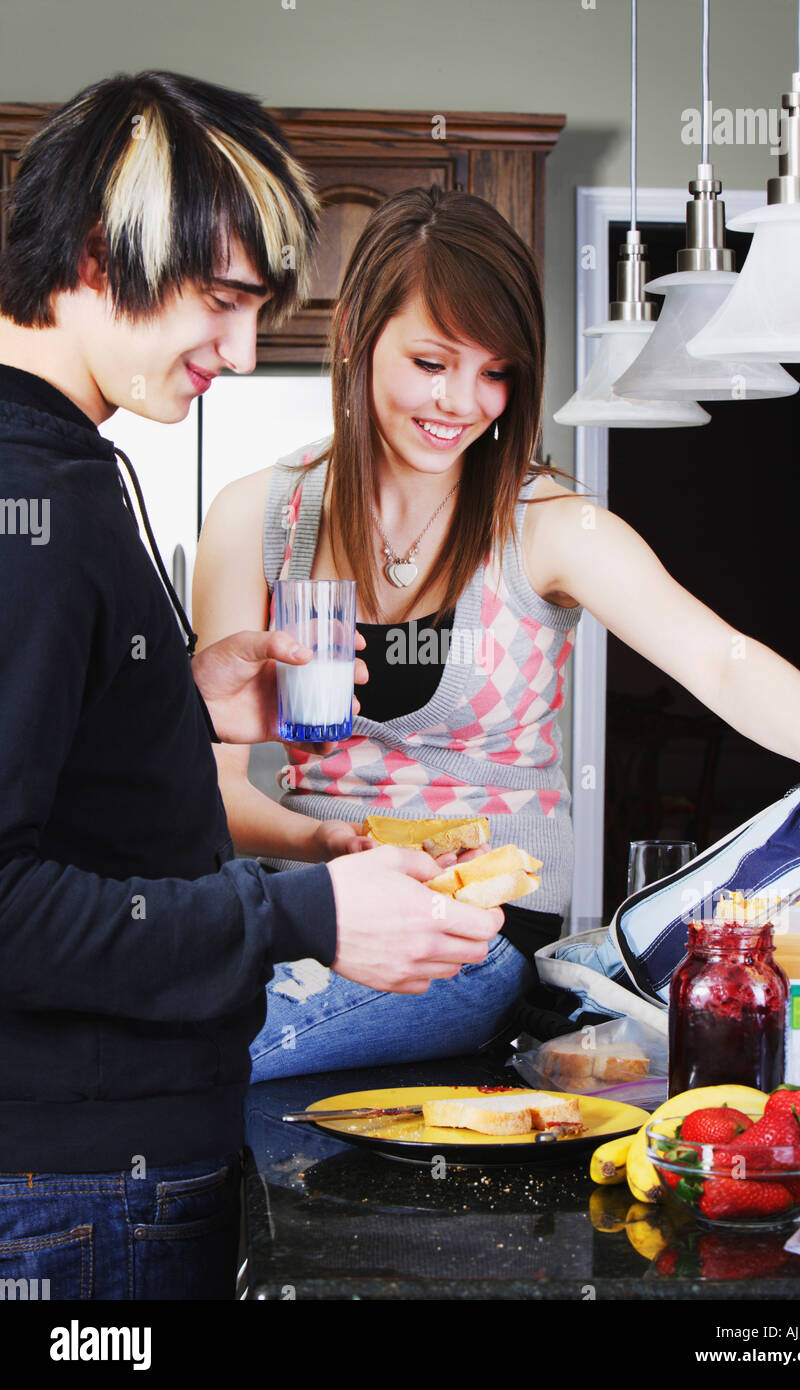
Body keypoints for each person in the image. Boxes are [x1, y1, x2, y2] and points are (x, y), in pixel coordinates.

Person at [0, 74, 502, 1301]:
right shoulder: (37, 507)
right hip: (77, 1194)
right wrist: (308, 915)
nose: (237, 349)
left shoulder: (61, 466)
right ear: (91, 252)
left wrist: (164, 701)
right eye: (218, 304)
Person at [194, 184, 800, 1082]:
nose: (463, 402)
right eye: (431, 362)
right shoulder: (258, 517)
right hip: (313, 908)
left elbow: (722, 657)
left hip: (479, 937)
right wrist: (321, 844)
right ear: (357, 329)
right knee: (168, 1010)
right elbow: (212, 792)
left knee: (203, 1046)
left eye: (494, 371)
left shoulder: (548, 525)